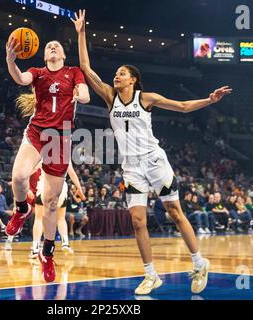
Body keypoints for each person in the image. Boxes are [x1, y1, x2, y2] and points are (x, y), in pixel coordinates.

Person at [72, 9, 231, 295]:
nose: (116, 76)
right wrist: (81, 33)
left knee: (175, 211)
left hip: (155, 161)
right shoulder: (110, 98)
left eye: (122, 73)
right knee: (137, 221)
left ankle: (199, 262)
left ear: (133, 79)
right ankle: (151, 274)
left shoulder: (146, 98)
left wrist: (209, 99)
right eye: (117, 73)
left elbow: (182, 107)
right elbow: (86, 68)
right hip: (131, 167)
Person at [5, 35, 90, 282]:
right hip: (37, 132)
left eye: (58, 45)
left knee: (52, 204)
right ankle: (21, 210)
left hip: (60, 138)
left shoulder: (73, 72)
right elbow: (21, 78)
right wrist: (11, 61)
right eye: (49, 46)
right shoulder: (38, 72)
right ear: (44, 56)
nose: (53, 46)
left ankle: (48, 253)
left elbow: (84, 94)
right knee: (19, 176)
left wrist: (80, 95)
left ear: (63, 55)